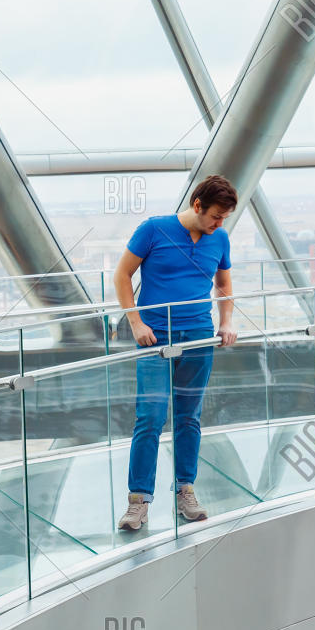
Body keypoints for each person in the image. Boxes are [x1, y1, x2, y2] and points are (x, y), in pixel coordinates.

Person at [114, 174, 238, 530]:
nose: (219, 224)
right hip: (155, 338)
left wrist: (226, 320)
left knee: (189, 417)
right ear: (197, 205)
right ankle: (138, 501)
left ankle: (185, 489)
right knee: (150, 417)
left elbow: (224, 282)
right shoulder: (153, 229)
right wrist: (136, 323)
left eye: (224, 218)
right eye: (215, 215)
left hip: (198, 336)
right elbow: (123, 275)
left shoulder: (220, 238)